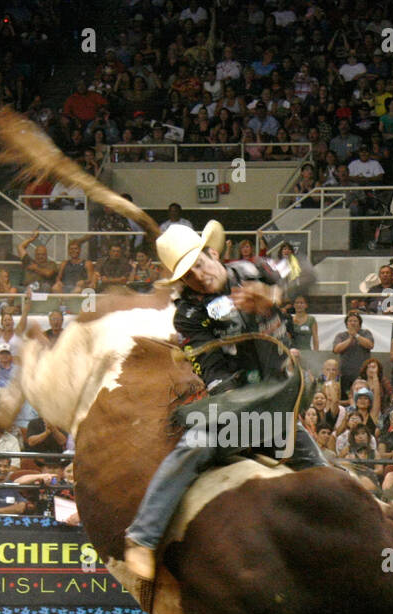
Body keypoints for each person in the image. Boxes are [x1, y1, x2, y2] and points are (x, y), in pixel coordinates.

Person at [123, 220, 328, 581]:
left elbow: (307, 269)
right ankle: (142, 537)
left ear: (213, 253)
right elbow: (214, 373)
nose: (199, 277)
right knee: (194, 446)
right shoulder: (189, 315)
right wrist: (248, 408)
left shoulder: (257, 269)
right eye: (188, 276)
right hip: (238, 403)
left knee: (325, 476)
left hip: (280, 401)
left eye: (200, 264)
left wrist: (274, 297)